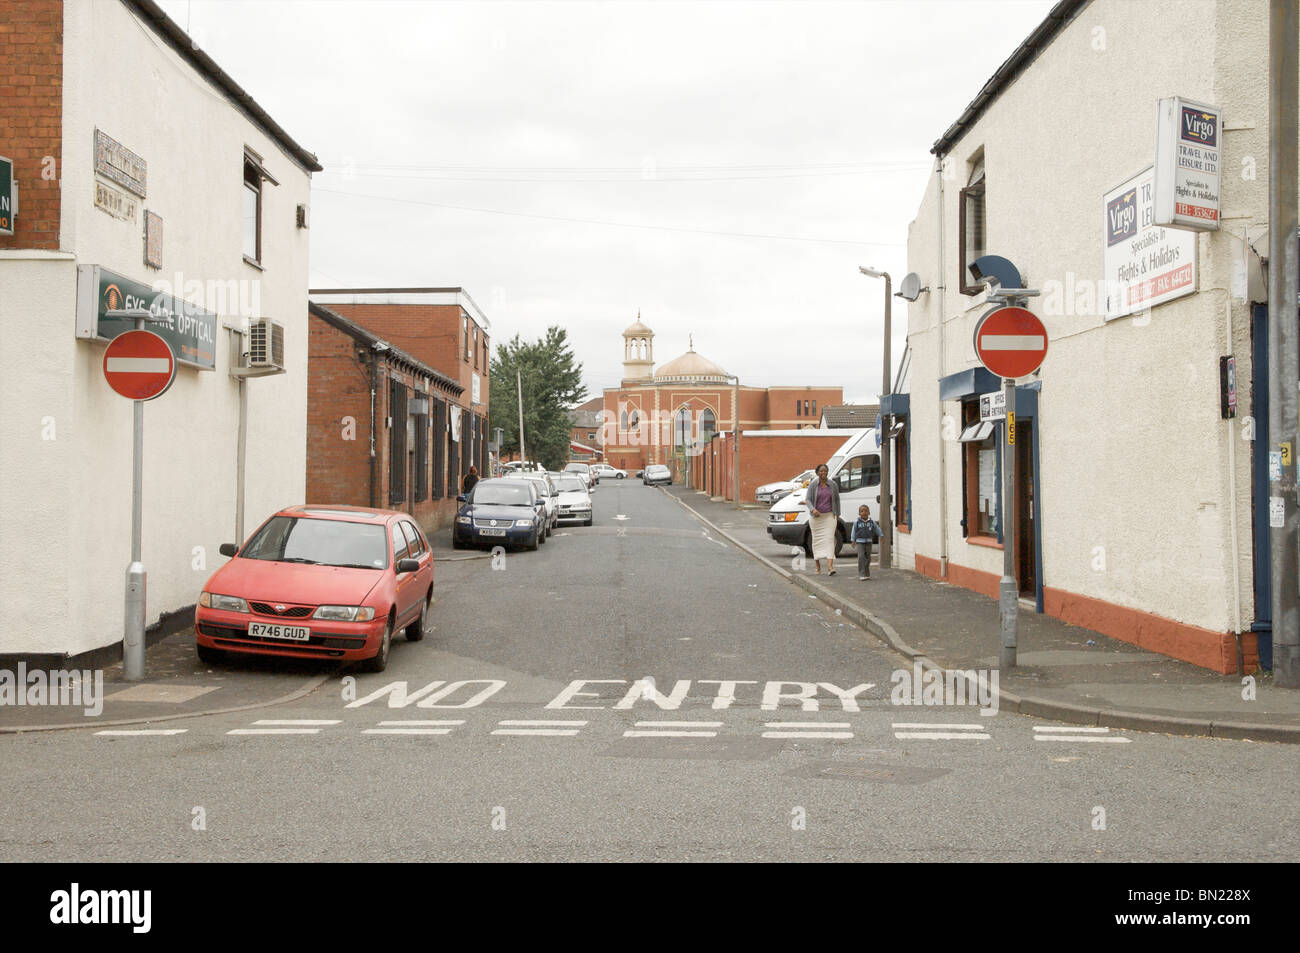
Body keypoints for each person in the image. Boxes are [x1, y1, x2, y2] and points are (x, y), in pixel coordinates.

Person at [804, 462, 840, 575]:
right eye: (821, 471)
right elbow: (808, 500)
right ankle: (818, 566)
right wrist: (813, 509)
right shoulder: (813, 485)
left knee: (829, 540)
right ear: (817, 473)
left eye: (825, 471)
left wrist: (837, 514)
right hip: (816, 518)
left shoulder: (833, 484)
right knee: (817, 541)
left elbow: (837, 500)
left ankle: (830, 567)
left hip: (829, 516)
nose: (823, 473)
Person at [850, 505, 880, 580]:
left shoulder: (871, 522)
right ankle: (862, 574)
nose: (864, 512)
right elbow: (853, 531)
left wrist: (881, 535)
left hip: (869, 542)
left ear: (869, 512)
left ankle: (867, 573)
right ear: (859, 513)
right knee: (861, 557)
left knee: (868, 558)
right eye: (862, 511)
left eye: (866, 511)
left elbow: (877, 529)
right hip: (860, 542)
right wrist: (853, 540)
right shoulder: (857, 522)